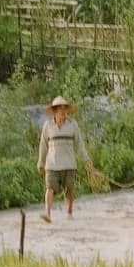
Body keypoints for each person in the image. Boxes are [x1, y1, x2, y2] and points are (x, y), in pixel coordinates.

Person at [35, 95, 92, 223]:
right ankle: (47, 214)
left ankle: (69, 213)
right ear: (54, 111)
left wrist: (86, 160)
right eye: (59, 109)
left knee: (69, 190)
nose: (62, 111)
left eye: (64, 109)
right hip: (52, 165)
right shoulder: (48, 126)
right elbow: (43, 145)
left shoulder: (73, 125)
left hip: (69, 164)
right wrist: (41, 161)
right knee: (49, 188)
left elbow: (80, 144)